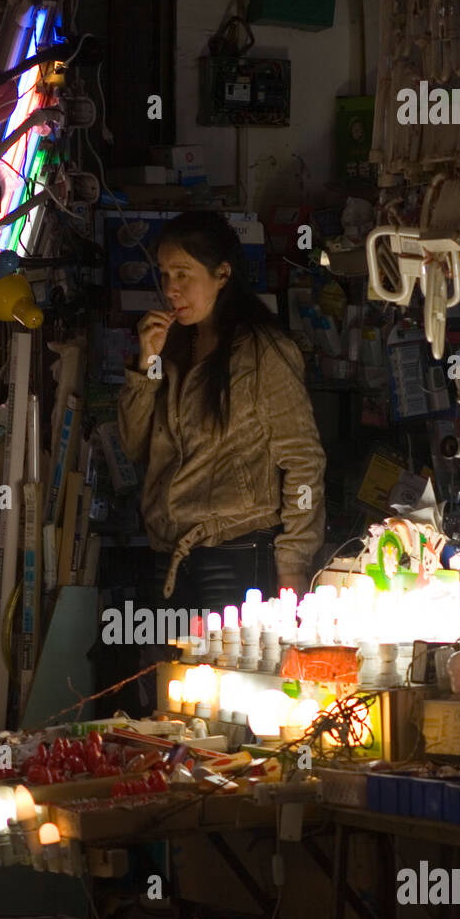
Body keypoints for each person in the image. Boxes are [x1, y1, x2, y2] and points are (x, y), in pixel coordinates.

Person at [116, 209, 326, 615]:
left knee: (232, 658)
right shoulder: (171, 350)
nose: (171, 289)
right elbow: (134, 446)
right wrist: (146, 365)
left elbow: (304, 460)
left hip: (238, 553)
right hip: (170, 553)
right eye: (165, 275)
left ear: (222, 274)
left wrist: (294, 561)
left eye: (183, 274)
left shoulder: (263, 352)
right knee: (170, 658)